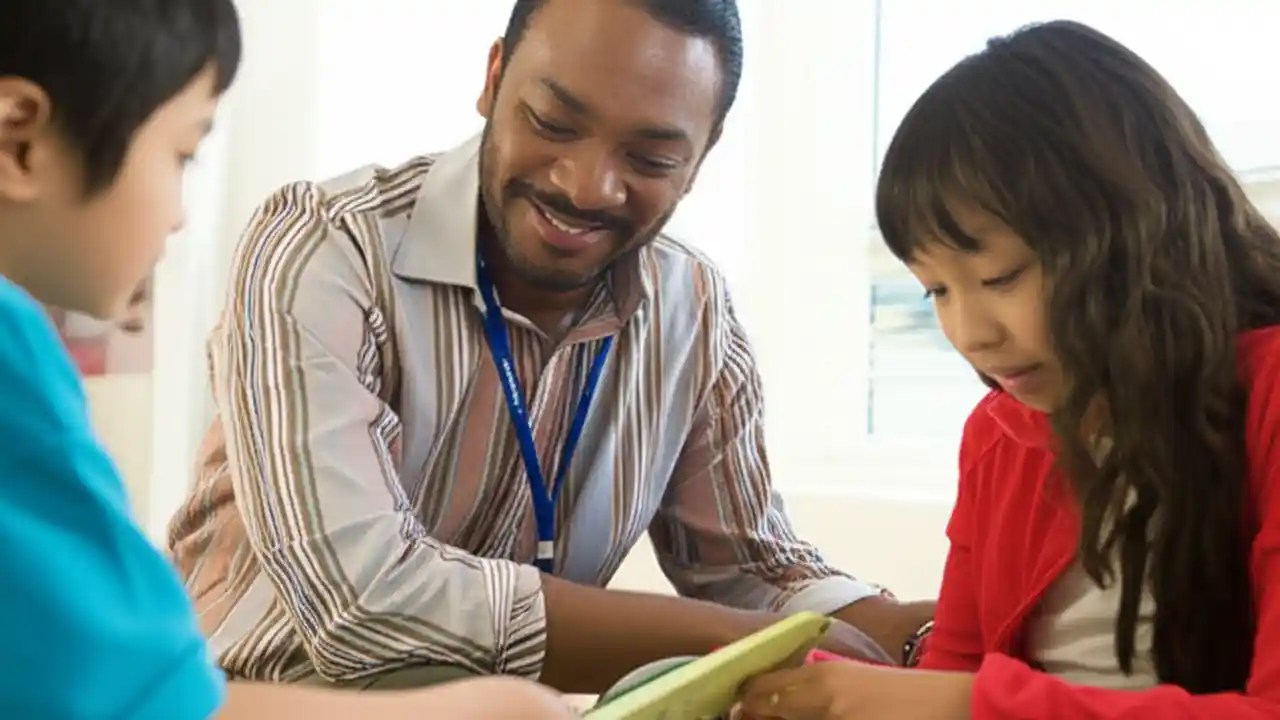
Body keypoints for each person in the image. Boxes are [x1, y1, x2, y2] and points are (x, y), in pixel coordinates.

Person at [167, 0, 935, 695]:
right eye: (553, 123)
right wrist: (742, 645)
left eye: (651, 159)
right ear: (494, 78)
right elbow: (359, 602)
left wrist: (924, 641)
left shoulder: (692, 309)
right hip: (245, 702)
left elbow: (751, 567)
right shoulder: (326, 246)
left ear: (703, 154)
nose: (587, 184)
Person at [0, 1, 575, 718]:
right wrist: (482, 711)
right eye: (183, 153)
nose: (179, 214)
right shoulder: (13, 357)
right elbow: (152, 706)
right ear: (19, 143)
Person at [736, 19, 1280, 720]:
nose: (970, 334)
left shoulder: (1266, 395)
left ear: (1135, 232)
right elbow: (955, 662)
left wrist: (969, 705)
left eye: (1000, 277)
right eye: (935, 290)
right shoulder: (999, 434)